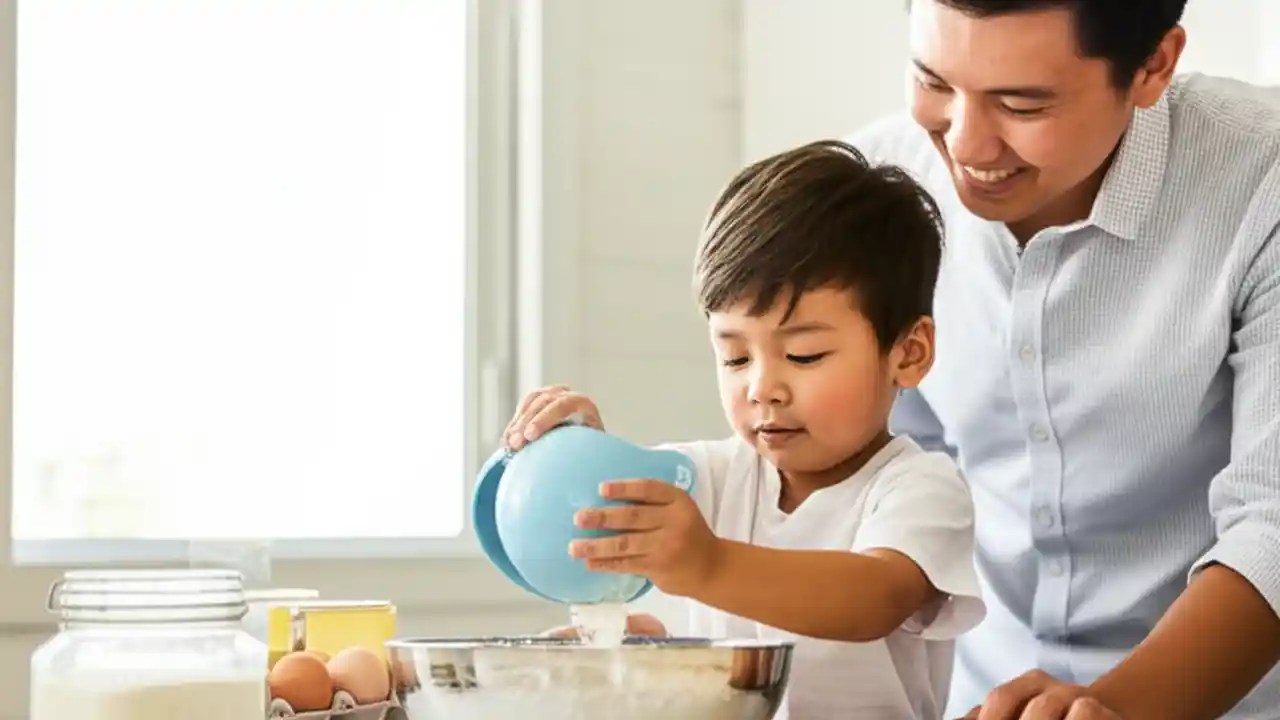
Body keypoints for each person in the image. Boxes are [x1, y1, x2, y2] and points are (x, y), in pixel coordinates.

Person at [848, 1, 1280, 717]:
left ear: (1153, 66)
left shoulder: (1260, 181)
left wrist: (1110, 710)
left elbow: (1276, 525)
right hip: (970, 696)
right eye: (933, 81)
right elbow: (857, 474)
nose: (967, 142)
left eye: (1021, 104)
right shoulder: (872, 191)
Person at [503, 140, 986, 719]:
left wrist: (709, 565)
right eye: (735, 358)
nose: (762, 388)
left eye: (804, 355)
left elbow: (871, 599)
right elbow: (636, 552)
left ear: (907, 353)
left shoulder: (919, 489)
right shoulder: (710, 476)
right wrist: (583, 459)